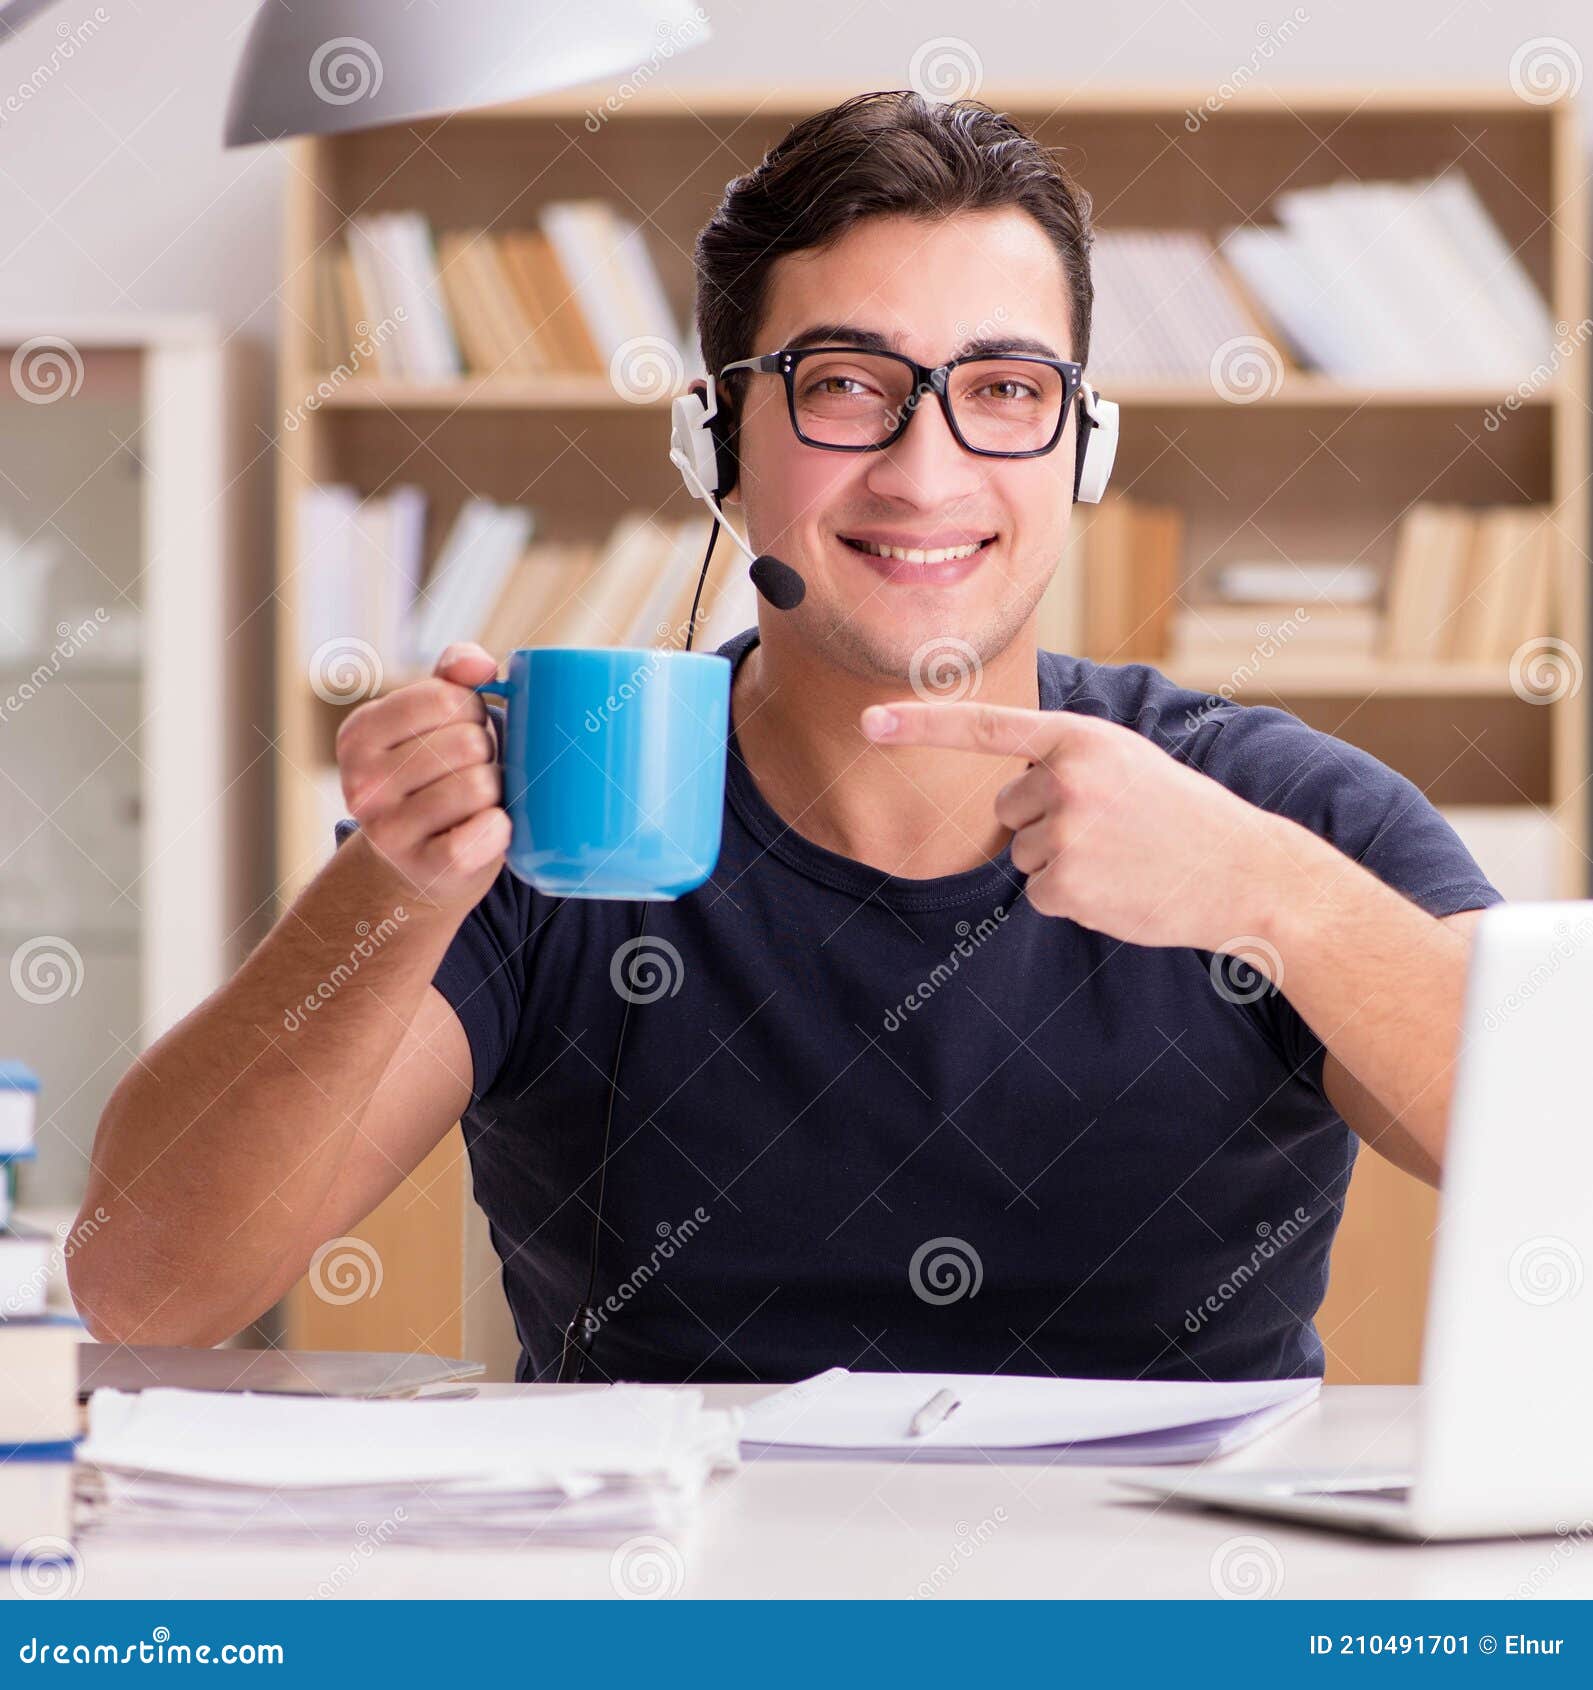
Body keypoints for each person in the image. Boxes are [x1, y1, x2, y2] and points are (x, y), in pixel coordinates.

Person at [71, 90, 1499, 1385]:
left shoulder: (1280, 814)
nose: (925, 470)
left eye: (1005, 391)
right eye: (842, 384)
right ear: (718, 445)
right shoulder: (566, 813)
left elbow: (1564, 1175)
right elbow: (149, 1287)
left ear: (1082, 445)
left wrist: (1274, 897)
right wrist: (391, 884)